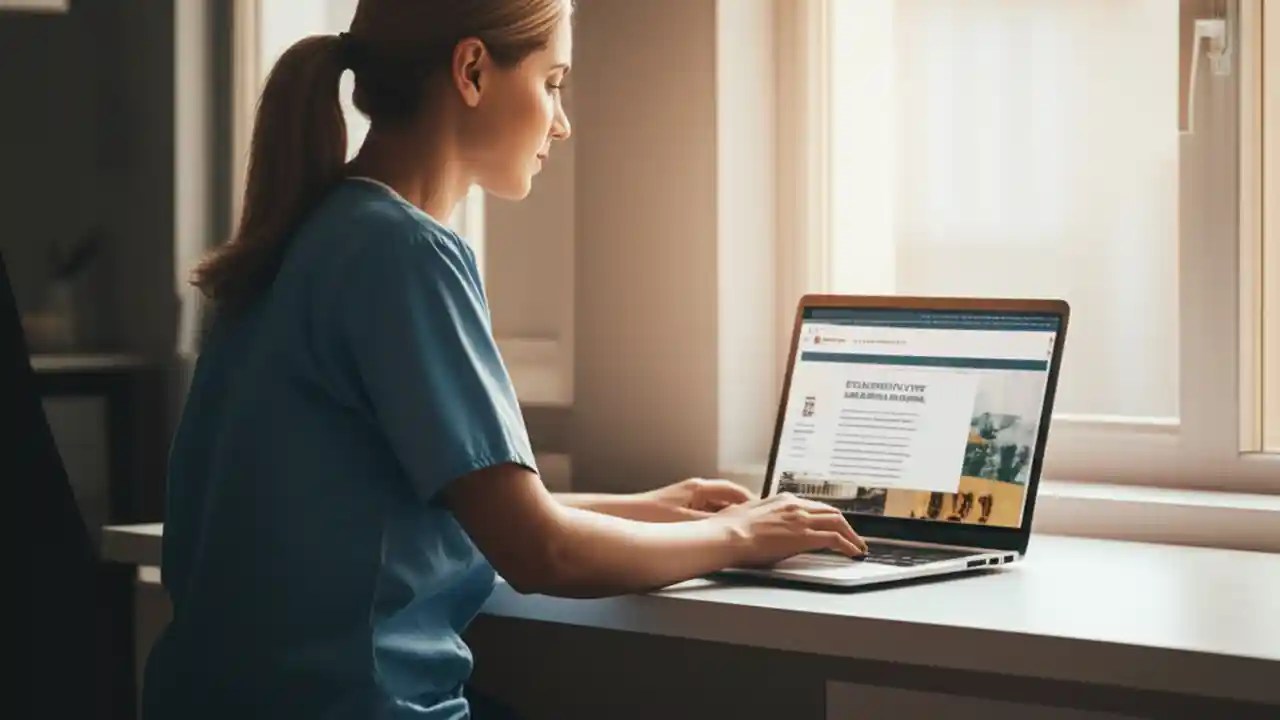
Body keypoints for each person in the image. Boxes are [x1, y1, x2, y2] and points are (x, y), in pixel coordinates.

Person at [141, 0, 867, 717]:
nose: (562, 119)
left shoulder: (303, 236)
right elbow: (538, 552)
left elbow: (442, 511)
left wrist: (654, 512)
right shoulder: (404, 253)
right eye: (552, 82)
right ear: (472, 70)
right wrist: (739, 536)